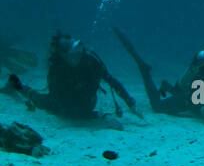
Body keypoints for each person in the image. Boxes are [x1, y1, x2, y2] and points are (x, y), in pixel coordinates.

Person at [113, 29, 204, 120]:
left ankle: (168, 87)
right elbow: (193, 87)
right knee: (157, 107)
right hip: (192, 98)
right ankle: (144, 71)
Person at [4, 32, 137, 120]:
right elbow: (61, 102)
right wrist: (100, 117)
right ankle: (16, 84)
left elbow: (111, 81)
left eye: (78, 52)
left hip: (86, 103)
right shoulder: (58, 69)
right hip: (63, 106)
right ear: (63, 55)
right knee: (37, 98)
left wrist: (129, 102)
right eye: (73, 54)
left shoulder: (91, 62)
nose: (77, 56)